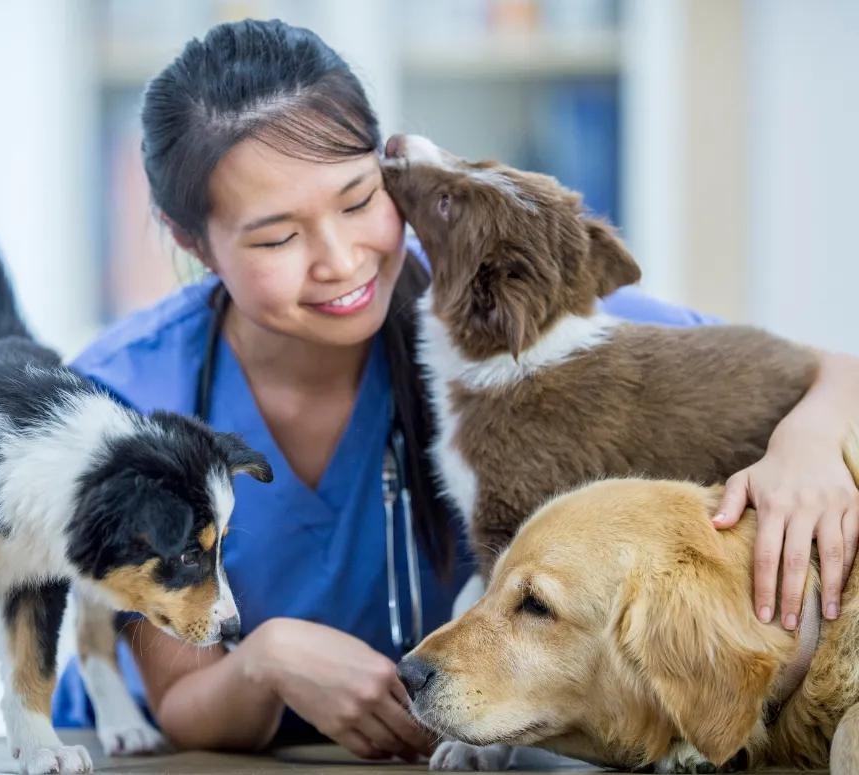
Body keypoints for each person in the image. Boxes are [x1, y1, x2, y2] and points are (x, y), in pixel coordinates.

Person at [53, 18, 859, 761]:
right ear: (194, 240)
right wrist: (265, 658)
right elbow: (183, 702)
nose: (341, 259)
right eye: (279, 235)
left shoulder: (500, 307)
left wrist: (813, 438)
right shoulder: (124, 398)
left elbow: (833, 372)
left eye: (359, 199)